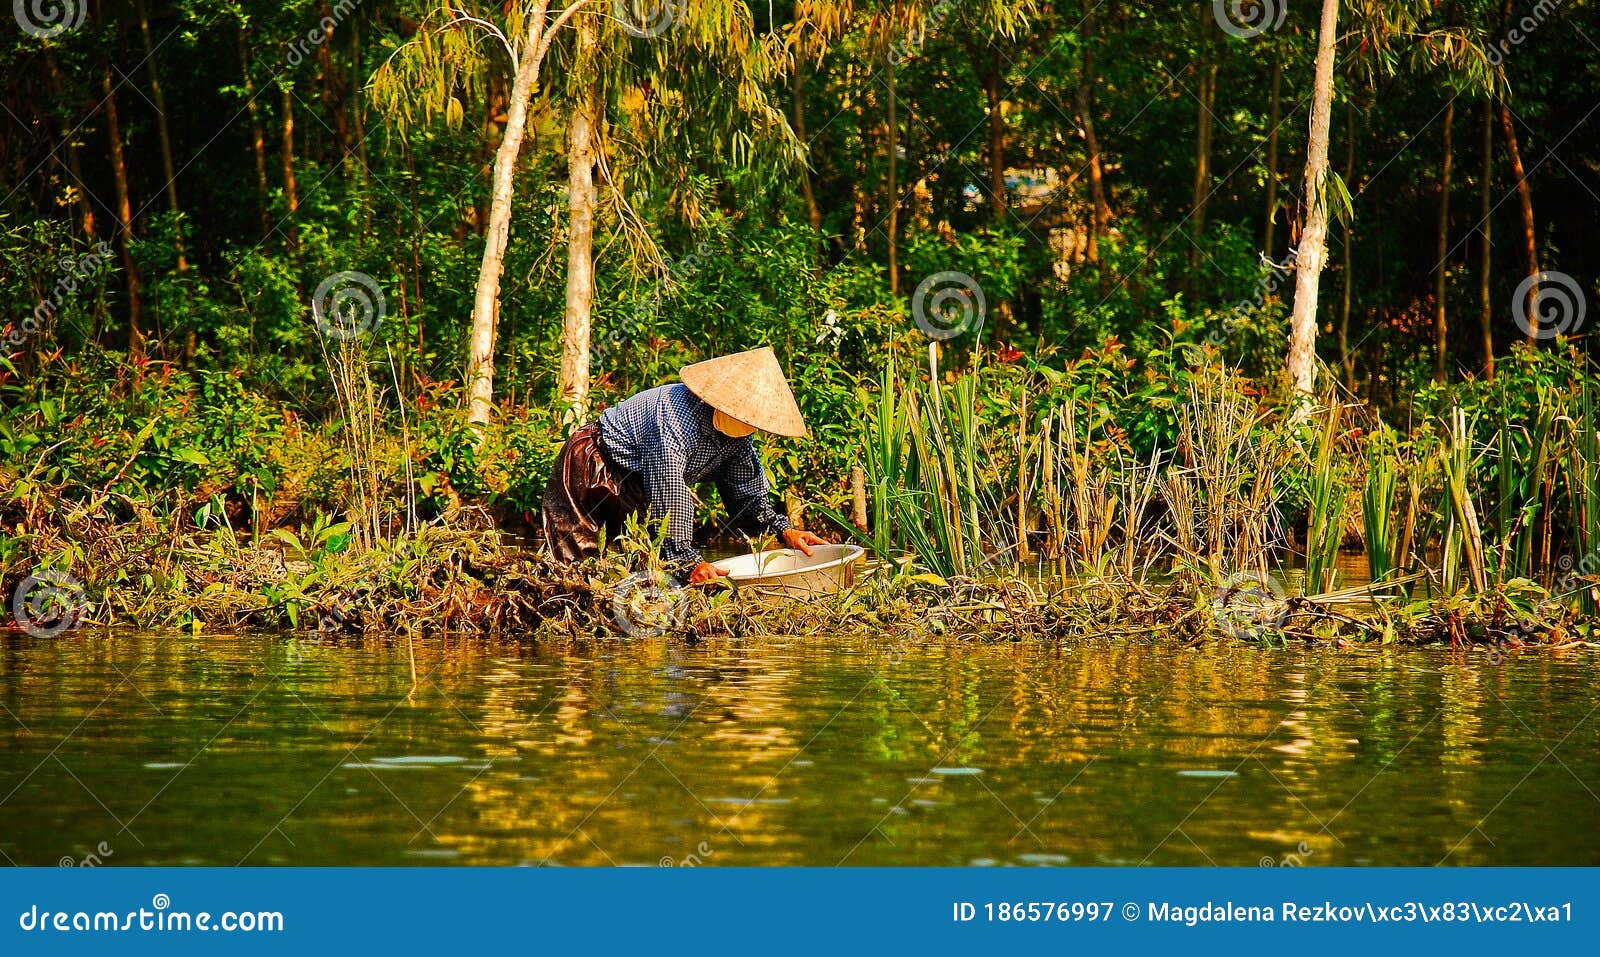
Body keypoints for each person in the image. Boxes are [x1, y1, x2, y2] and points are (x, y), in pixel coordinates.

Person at [543, 347, 830, 584]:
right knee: (574, 562)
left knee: (643, 570)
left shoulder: (739, 439)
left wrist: (783, 531)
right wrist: (687, 559)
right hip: (593, 462)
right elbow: (670, 488)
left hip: (638, 481)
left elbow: (747, 497)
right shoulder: (677, 418)